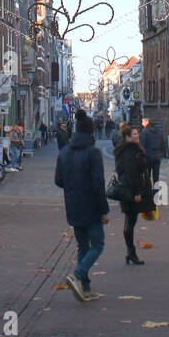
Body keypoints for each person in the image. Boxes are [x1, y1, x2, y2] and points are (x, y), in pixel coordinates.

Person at [54, 111, 109, 302]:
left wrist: (71, 187)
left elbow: (58, 180)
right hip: (91, 207)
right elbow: (98, 184)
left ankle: (85, 288)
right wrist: (104, 210)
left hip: (72, 205)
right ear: (92, 131)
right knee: (98, 244)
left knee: (83, 245)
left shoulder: (65, 151)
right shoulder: (93, 153)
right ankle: (78, 274)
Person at [114, 123, 154, 265]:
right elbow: (131, 173)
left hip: (130, 189)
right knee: (130, 221)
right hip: (130, 191)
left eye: (138, 133)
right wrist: (136, 192)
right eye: (135, 134)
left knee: (130, 220)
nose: (138, 136)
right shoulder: (129, 152)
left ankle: (130, 252)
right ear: (127, 137)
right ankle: (131, 252)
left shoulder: (131, 149)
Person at [141, 115, 165, 189]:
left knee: (147, 175)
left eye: (143, 121)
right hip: (157, 156)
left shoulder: (144, 131)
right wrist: (161, 153)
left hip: (148, 156)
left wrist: (142, 155)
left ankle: (147, 191)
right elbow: (162, 143)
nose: (142, 123)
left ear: (147, 122)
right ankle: (156, 191)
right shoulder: (159, 131)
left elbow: (143, 144)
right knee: (156, 176)